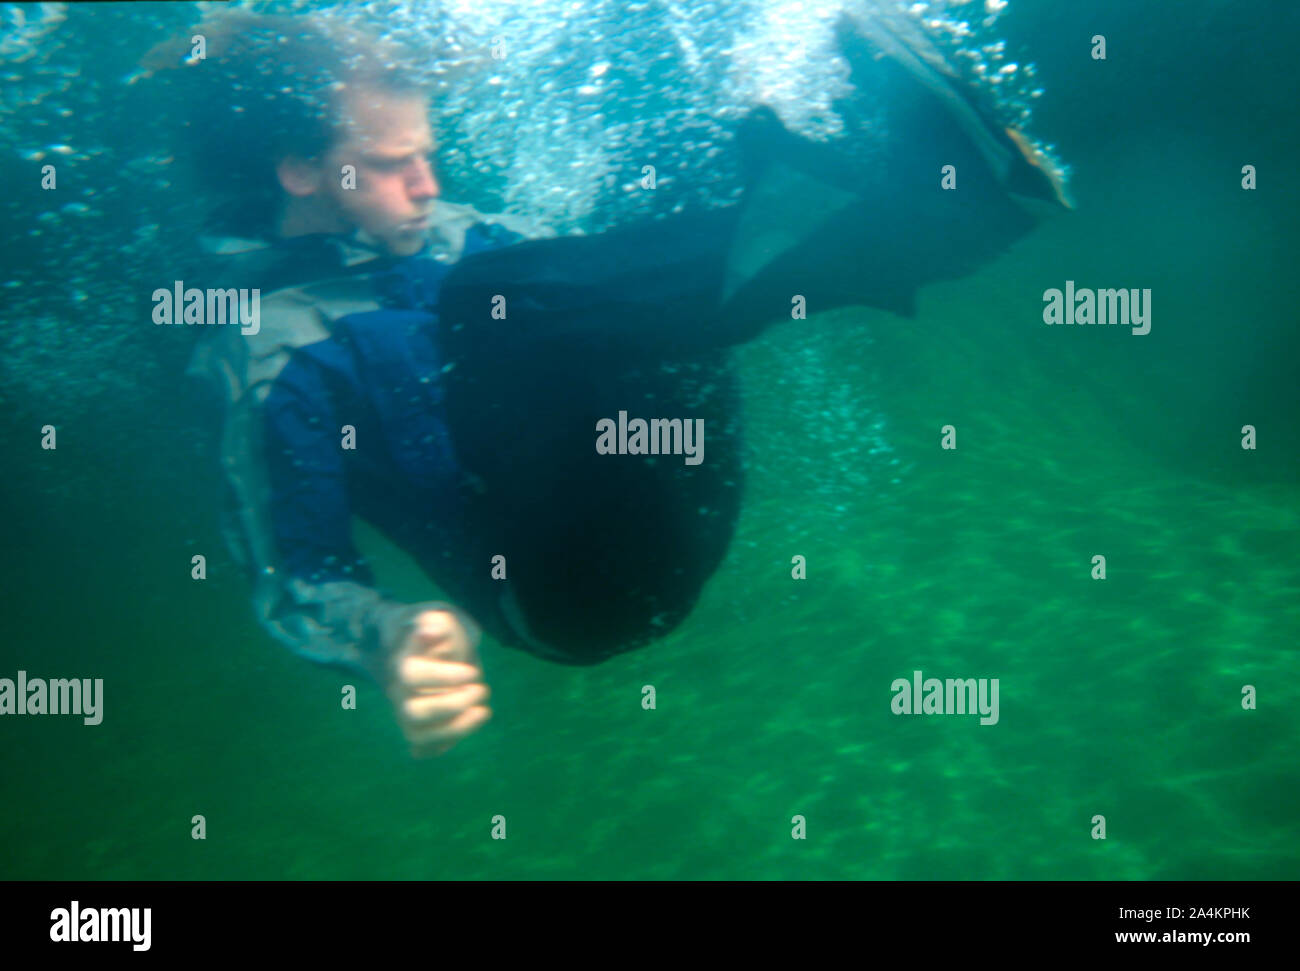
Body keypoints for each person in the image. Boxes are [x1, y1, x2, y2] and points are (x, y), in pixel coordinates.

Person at [158, 11, 1067, 758]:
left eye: (428, 153)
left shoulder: (456, 226)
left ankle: (857, 146)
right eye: (397, 164)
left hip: (679, 498)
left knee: (637, 206)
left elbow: (620, 288)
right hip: (565, 597)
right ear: (301, 169)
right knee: (497, 294)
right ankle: (948, 219)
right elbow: (295, 576)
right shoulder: (267, 344)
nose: (429, 185)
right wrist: (386, 636)